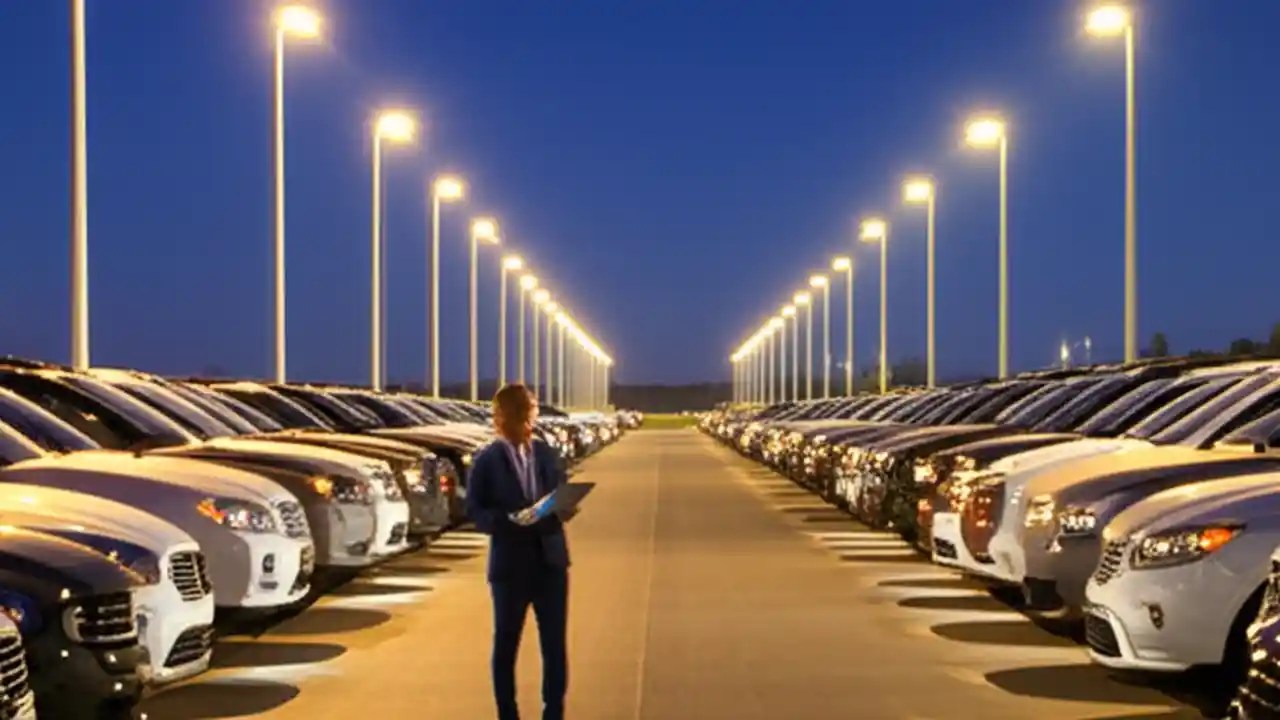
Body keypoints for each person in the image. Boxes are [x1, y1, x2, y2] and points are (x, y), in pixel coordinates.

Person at [467, 383, 571, 720]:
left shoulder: (545, 452)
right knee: (506, 643)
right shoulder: (487, 460)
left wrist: (563, 507)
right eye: (525, 412)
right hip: (510, 565)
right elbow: (475, 510)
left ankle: (553, 711)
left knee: (554, 644)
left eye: (532, 411)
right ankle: (507, 712)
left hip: (550, 560)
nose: (531, 418)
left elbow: (562, 491)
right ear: (504, 416)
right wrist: (505, 521)